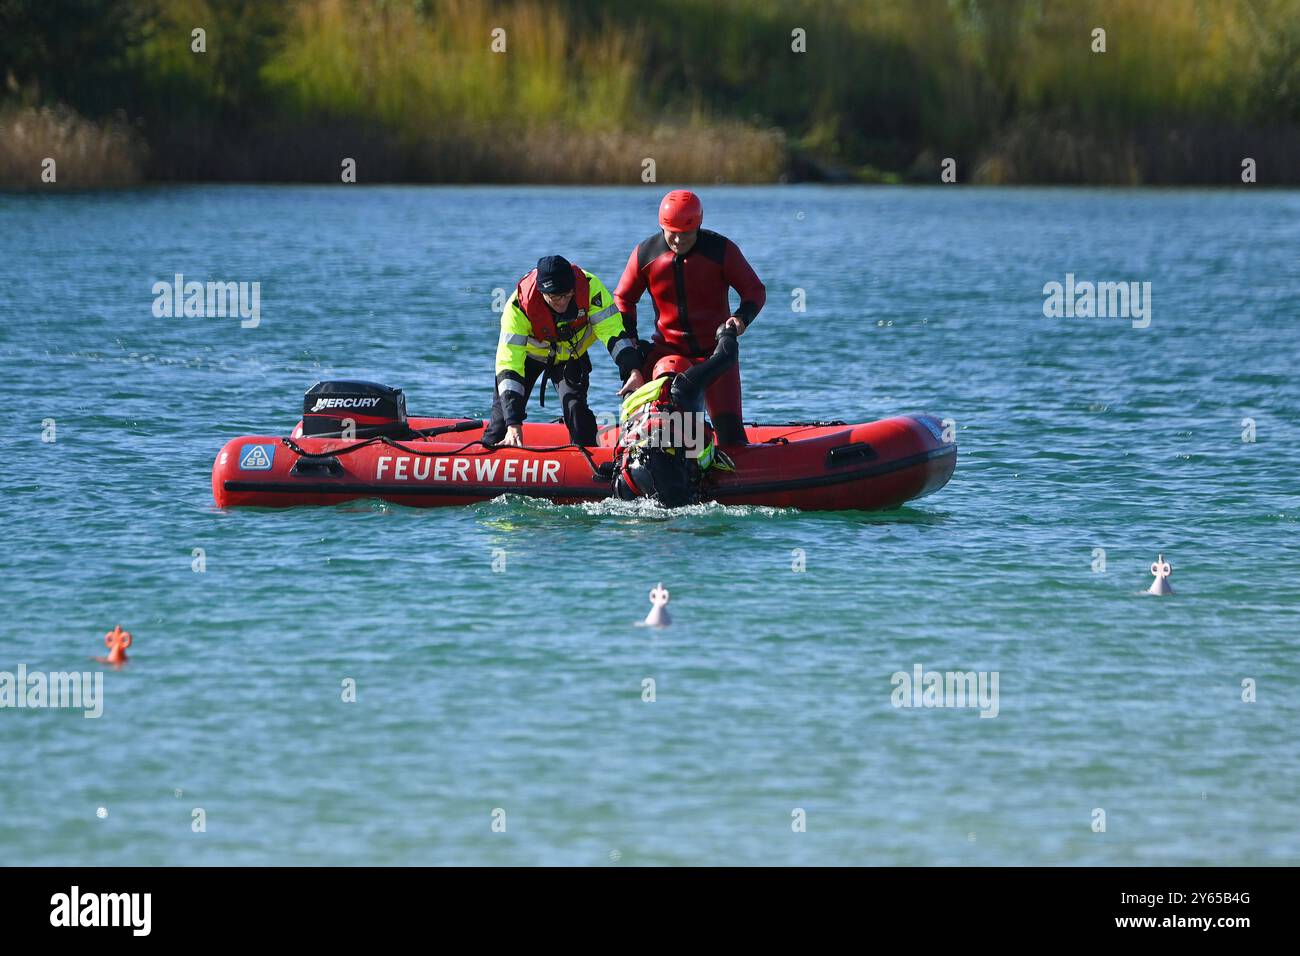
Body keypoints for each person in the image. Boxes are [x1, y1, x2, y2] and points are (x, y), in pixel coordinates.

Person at [613, 190, 765, 446]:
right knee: (653, 434)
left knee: (732, 436)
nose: (678, 240)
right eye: (672, 232)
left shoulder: (720, 250)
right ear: (662, 226)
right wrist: (632, 345)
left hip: (715, 357)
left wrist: (741, 319)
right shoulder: (646, 254)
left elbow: (754, 290)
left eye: (686, 234)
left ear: (698, 225)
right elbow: (623, 298)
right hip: (665, 355)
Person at [486, 255, 643, 447]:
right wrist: (513, 423)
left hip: (570, 356)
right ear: (541, 291)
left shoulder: (590, 288)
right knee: (500, 425)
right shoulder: (518, 306)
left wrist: (633, 370)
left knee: (577, 413)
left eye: (567, 295)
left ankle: (591, 467)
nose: (562, 303)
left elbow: (613, 333)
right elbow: (509, 364)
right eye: (555, 297)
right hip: (528, 357)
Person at [613, 327, 739, 507]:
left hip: (626, 477)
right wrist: (726, 333)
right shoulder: (686, 386)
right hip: (663, 470)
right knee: (676, 523)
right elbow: (726, 355)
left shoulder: (636, 396)